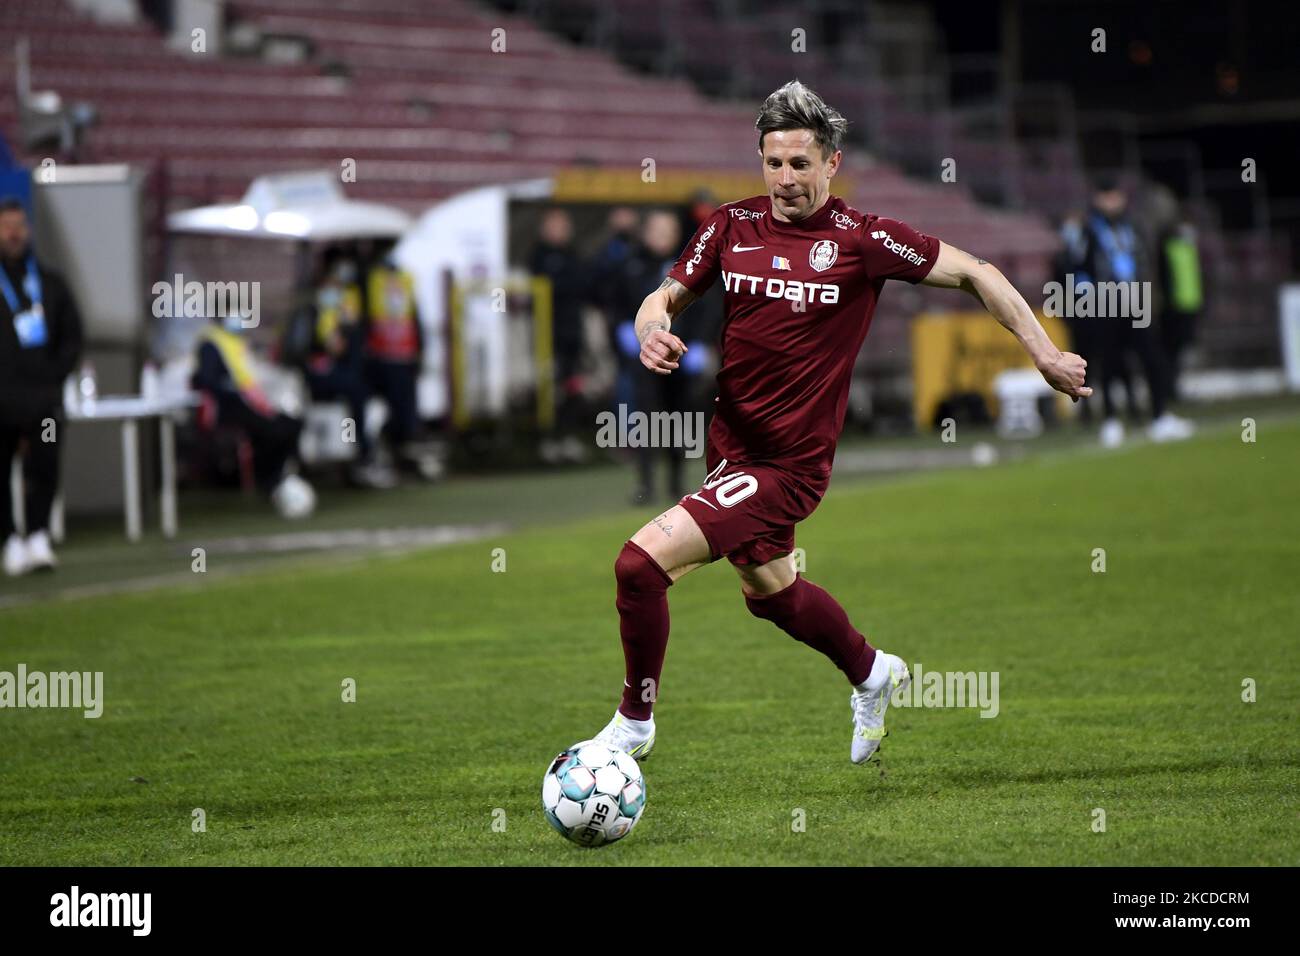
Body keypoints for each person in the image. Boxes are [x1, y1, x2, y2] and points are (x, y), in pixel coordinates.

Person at [585, 81, 1090, 765]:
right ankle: (873, 673)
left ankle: (633, 723)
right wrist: (652, 330)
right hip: (731, 450)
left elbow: (979, 272)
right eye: (773, 163)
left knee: (638, 566)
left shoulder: (864, 240)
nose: (785, 179)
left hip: (787, 466)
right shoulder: (732, 226)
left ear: (831, 164)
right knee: (771, 594)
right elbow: (664, 295)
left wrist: (1046, 354)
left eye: (800, 163)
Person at [0, 197, 83, 576]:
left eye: (19, 225)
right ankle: (8, 540)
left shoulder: (50, 283)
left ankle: (38, 534)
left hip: (44, 401)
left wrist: (54, 377)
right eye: (7, 226)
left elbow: (72, 337)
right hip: (3, 400)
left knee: (44, 465)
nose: (14, 233)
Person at [1081, 178, 1193, 446]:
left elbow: (1144, 260)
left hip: (1135, 300)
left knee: (1152, 358)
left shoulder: (1133, 226)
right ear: (1098, 199)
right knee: (1109, 364)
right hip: (1105, 304)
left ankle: (1159, 416)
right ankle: (1110, 421)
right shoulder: (1090, 229)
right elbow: (1082, 267)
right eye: (1106, 196)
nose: (1112, 202)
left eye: (1115, 196)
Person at [190, 312, 315, 519]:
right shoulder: (210, 343)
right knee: (274, 430)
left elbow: (251, 378)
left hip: (249, 405)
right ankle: (269, 479)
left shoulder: (237, 343)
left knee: (292, 424)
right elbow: (205, 380)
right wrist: (232, 391)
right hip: (228, 409)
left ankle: (275, 477)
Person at [530, 208, 589, 464]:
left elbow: (581, 286)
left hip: (572, 333)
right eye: (555, 225)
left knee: (571, 387)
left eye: (564, 225)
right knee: (549, 389)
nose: (561, 230)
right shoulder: (538, 256)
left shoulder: (574, 254)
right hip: (546, 334)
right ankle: (548, 439)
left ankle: (568, 437)